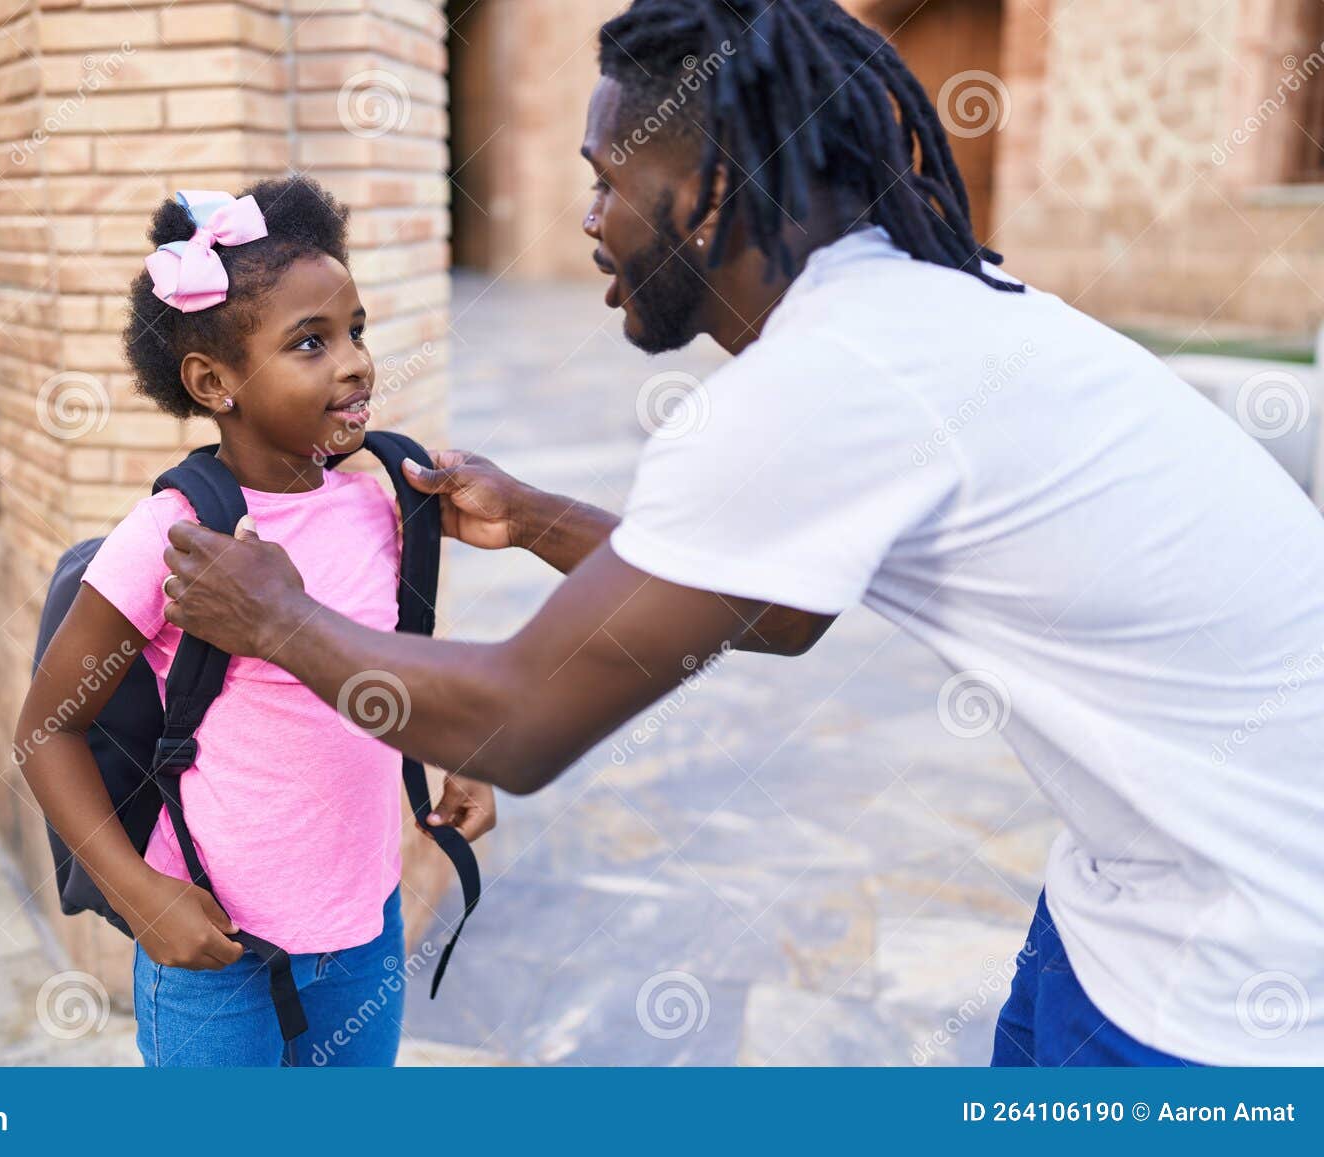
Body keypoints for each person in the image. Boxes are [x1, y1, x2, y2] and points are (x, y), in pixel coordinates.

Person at [160, 0, 1324, 1066]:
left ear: (707, 196)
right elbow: (781, 610)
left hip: (1244, 970)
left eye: (606, 180)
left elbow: (517, 720)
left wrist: (277, 614)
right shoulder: (917, 305)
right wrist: (537, 517)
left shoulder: (822, 381)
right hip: (1133, 891)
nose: (587, 216)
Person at [14, 176, 496, 1068]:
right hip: (215, 954)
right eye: (311, 342)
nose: (354, 361)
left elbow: (384, 663)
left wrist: (454, 751)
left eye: (357, 331)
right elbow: (46, 728)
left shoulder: (378, 503)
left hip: (365, 929)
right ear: (214, 381)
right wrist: (141, 893)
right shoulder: (173, 534)